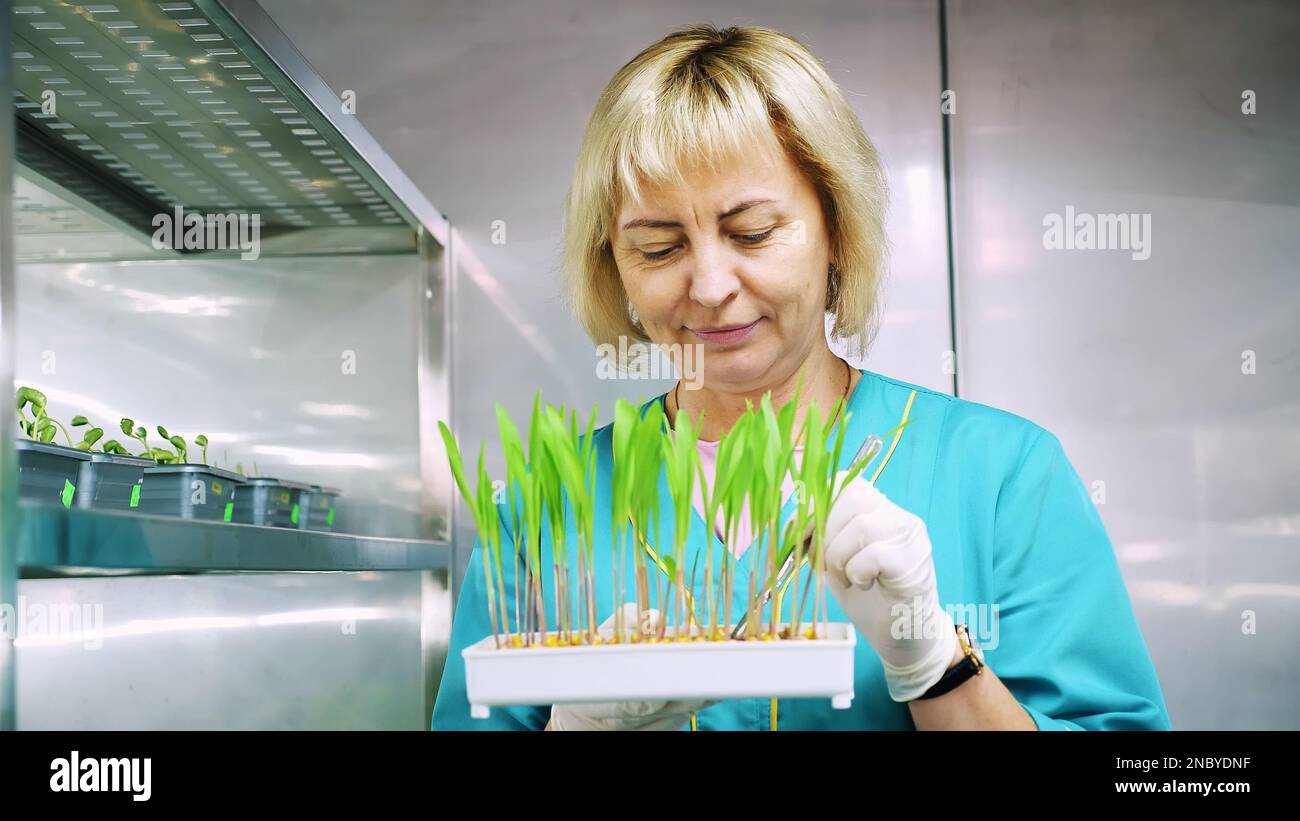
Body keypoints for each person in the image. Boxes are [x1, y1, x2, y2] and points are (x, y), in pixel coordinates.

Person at [431, 23, 1170, 730]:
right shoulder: (542, 507)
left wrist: (936, 662)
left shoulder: (1003, 475)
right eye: (658, 248)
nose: (711, 284)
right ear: (613, 268)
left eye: (752, 232)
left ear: (837, 232)